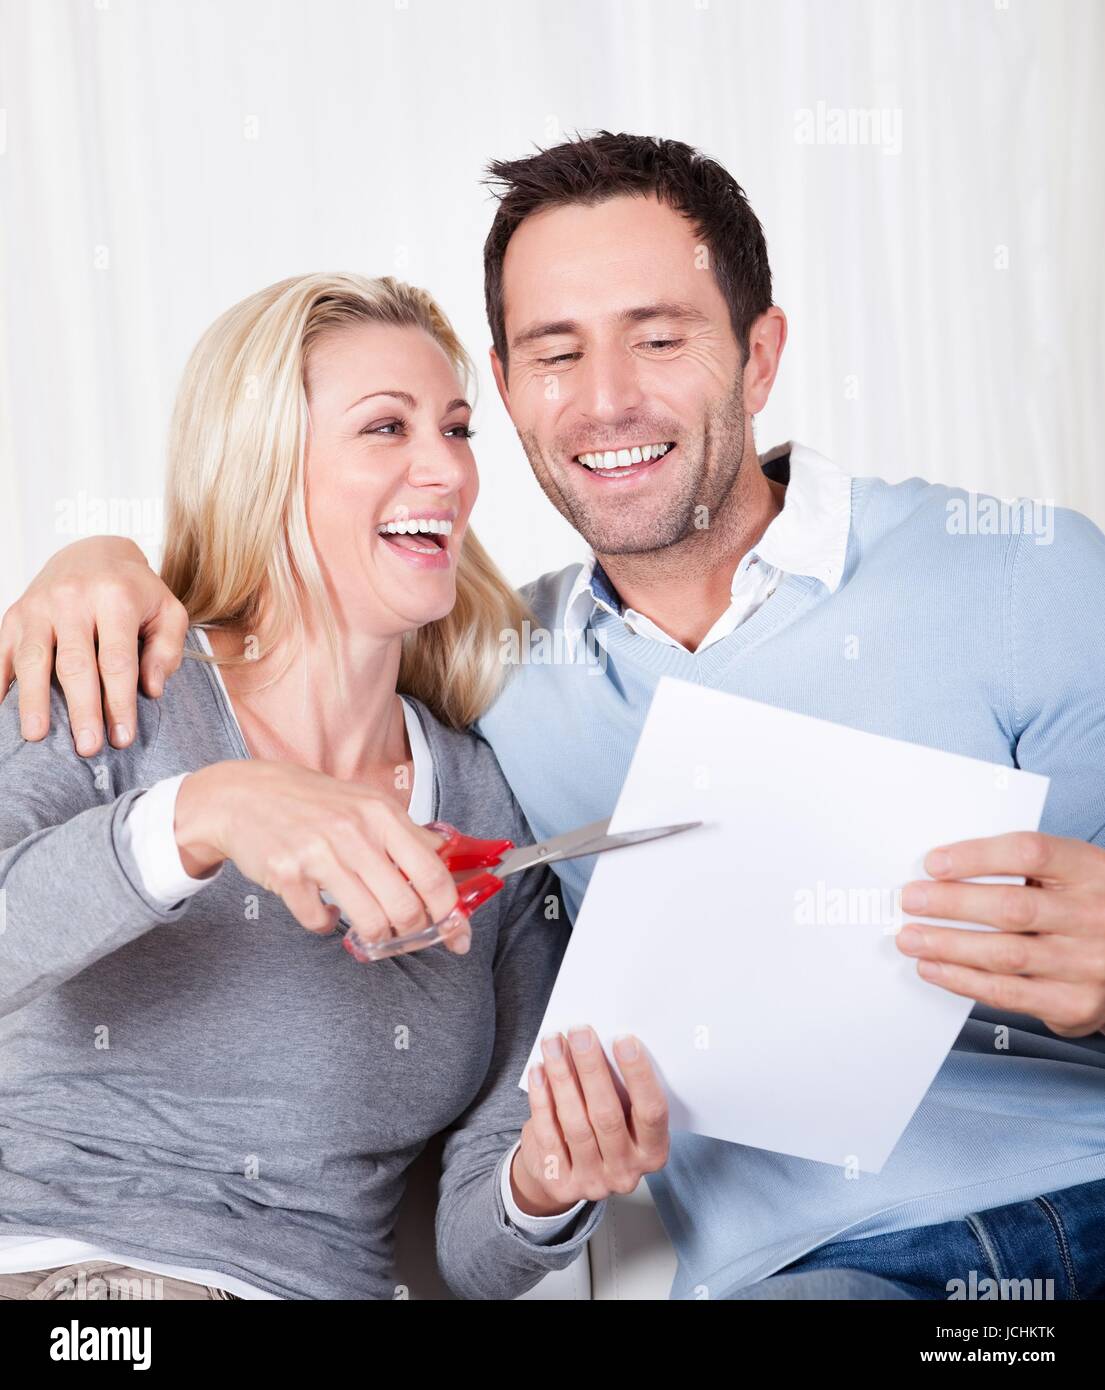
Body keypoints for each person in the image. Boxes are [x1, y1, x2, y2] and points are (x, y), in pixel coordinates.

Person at [5, 132, 1105, 1301]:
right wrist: (121, 614)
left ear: (760, 354)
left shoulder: (1026, 577)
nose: (605, 399)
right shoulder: (464, 688)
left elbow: (488, 1210)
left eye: (660, 337)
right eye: (554, 353)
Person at [0, 270, 670, 1302]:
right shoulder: (111, 681)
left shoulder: (488, 799)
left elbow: (473, 1246)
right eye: (386, 429)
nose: (444, 468)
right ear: (267, 466)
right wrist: (203, 812)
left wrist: (545, 1185)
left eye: (455, 428)